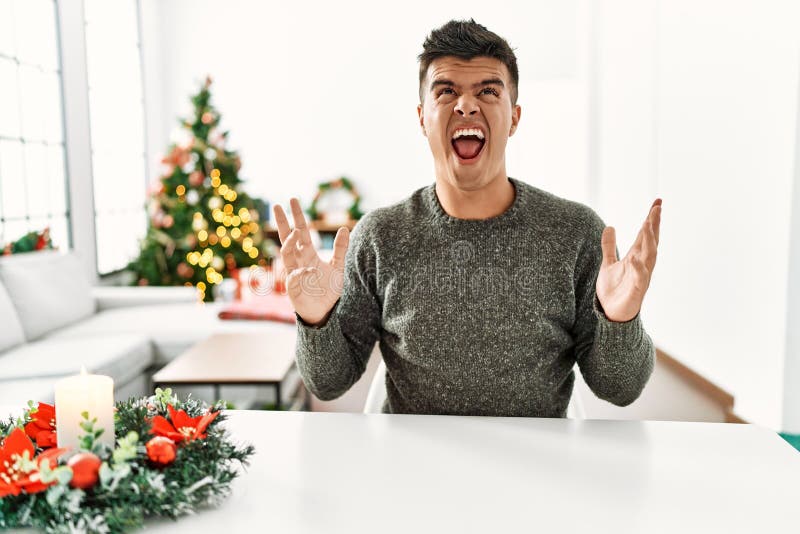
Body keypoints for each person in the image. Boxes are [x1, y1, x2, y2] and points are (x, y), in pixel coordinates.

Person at [273, 19, 662, 416]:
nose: (466, 105)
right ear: (423, 117)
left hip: (537, 469)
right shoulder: (380, 237)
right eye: (446, 91)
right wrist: (316, 318)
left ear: (514, 117)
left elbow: (621, 389)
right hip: (413, 466)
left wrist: (621, 318)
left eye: (488, 91)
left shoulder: (576, 234)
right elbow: (329, 383)